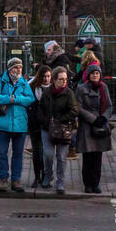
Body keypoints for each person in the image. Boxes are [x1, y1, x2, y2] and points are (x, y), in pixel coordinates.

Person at [0, 57, 34, 192]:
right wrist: (9, 98)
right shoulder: (0, 81)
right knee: (2, 153)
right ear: (9, 69)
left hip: (20, 124)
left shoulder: (23, 82)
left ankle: (16, 180)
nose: (18, 70)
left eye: (20, 67)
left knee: (18, 154)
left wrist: (16, 99)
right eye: (15, 67)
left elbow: (30, 99)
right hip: (2, 124)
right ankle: (3, 179)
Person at [37, 66, 78, 194]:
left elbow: (74, 110)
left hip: (63, 129)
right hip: (47, 128)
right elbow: (41, 109)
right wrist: (45, 121)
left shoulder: (69, 93)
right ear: (54, 80)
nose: (64, 82)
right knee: (48, 154)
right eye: (61, 79)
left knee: (61, 156)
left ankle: (60, 181)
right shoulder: (47, 93)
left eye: (65, 79)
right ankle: (48, 175)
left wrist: (61, 119)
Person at [74, 63, 112, 194]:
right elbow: (78, 108)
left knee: (98, 157)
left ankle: (96, 183)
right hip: (87, 125)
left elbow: (109, 106)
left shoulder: (104, 87)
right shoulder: (81, 88)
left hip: (101, 124)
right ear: (88, 75)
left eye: (97, 73)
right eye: (93, 73)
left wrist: (104, 118)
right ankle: (87, 183)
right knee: (88, 157)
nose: (95, 75)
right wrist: (93, 119)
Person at [27, 64, 51, 188]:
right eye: (44, 76)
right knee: (37, 151)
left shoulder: (53, 89)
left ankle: (47, 176)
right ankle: (37, 176)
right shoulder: (32, 88)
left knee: (48, 152)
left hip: (48, 125)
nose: (46, 79)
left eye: (48, 76)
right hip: (35, 124)